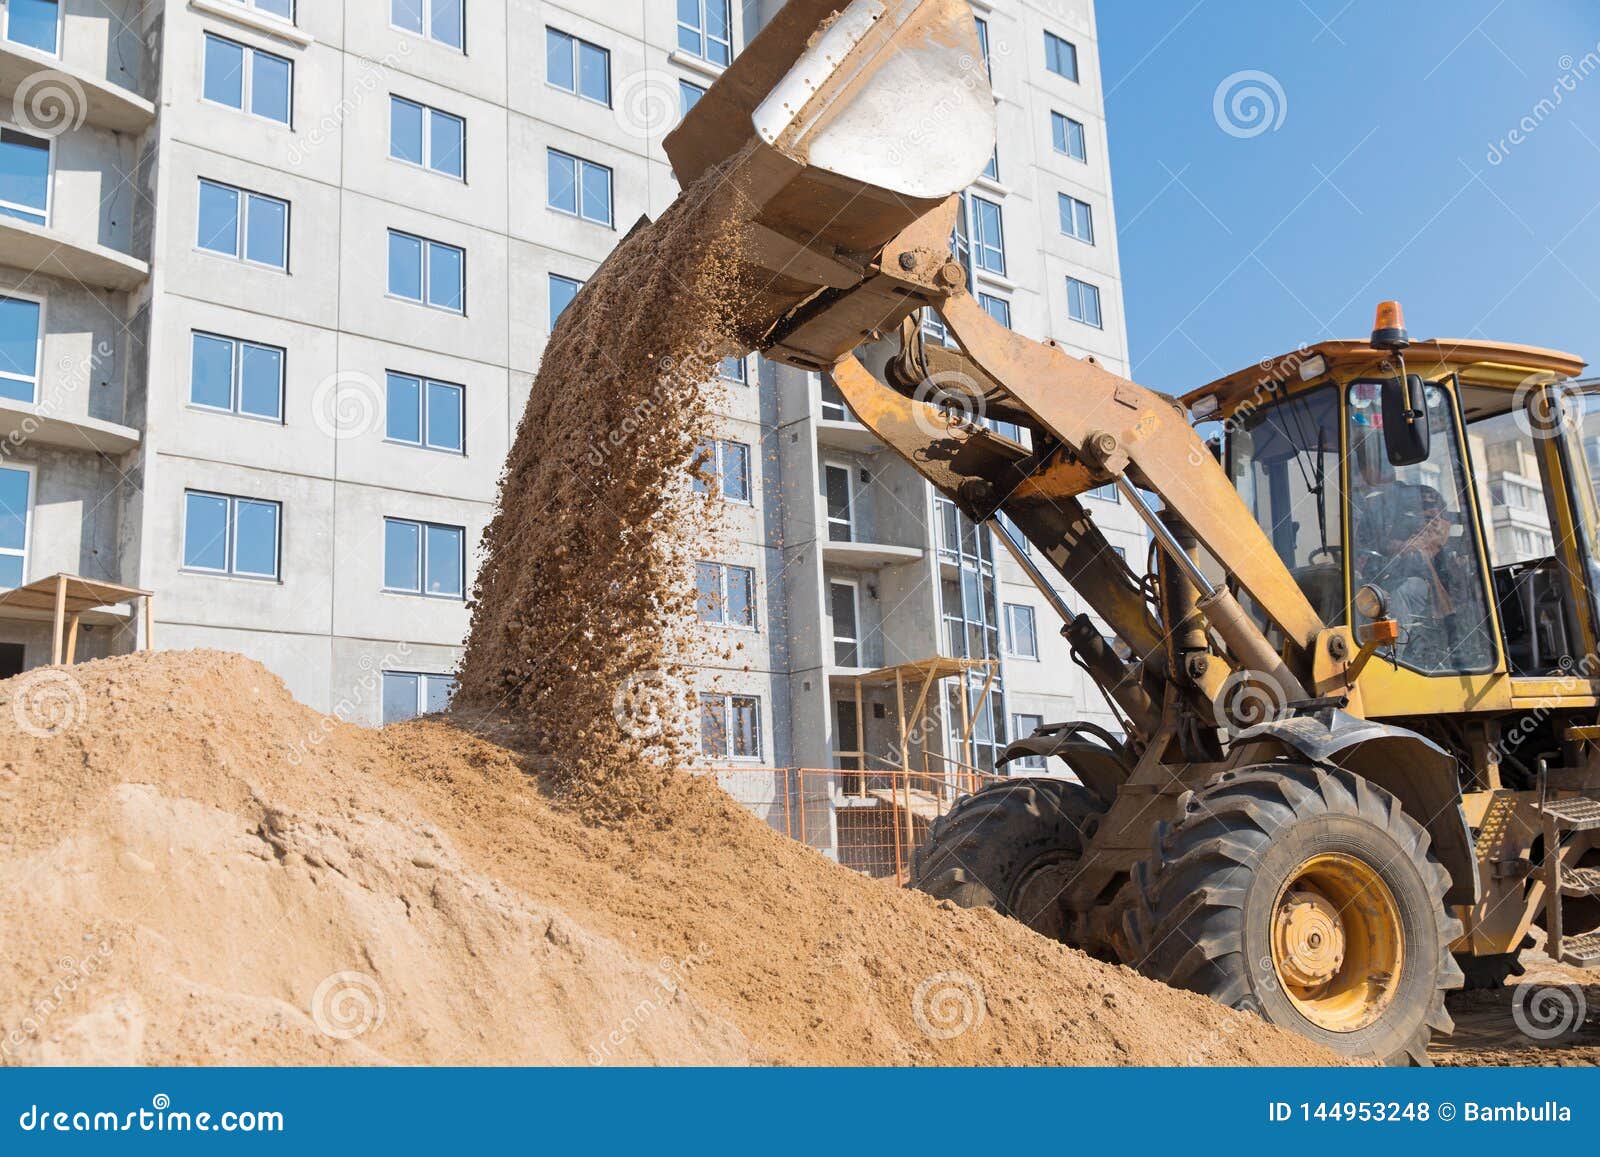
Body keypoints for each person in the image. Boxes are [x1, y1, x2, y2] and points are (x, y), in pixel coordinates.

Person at [1369, 484, 1493, 671]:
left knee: (1404, 591)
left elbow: (1446, 612)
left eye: (1431, 513)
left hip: (1436, 603)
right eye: (1419, 513)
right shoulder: (1399, 537)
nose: (1424, 521)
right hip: (1388, 591)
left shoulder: (1445, 542)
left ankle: (1388, 663)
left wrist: (1415, 554)